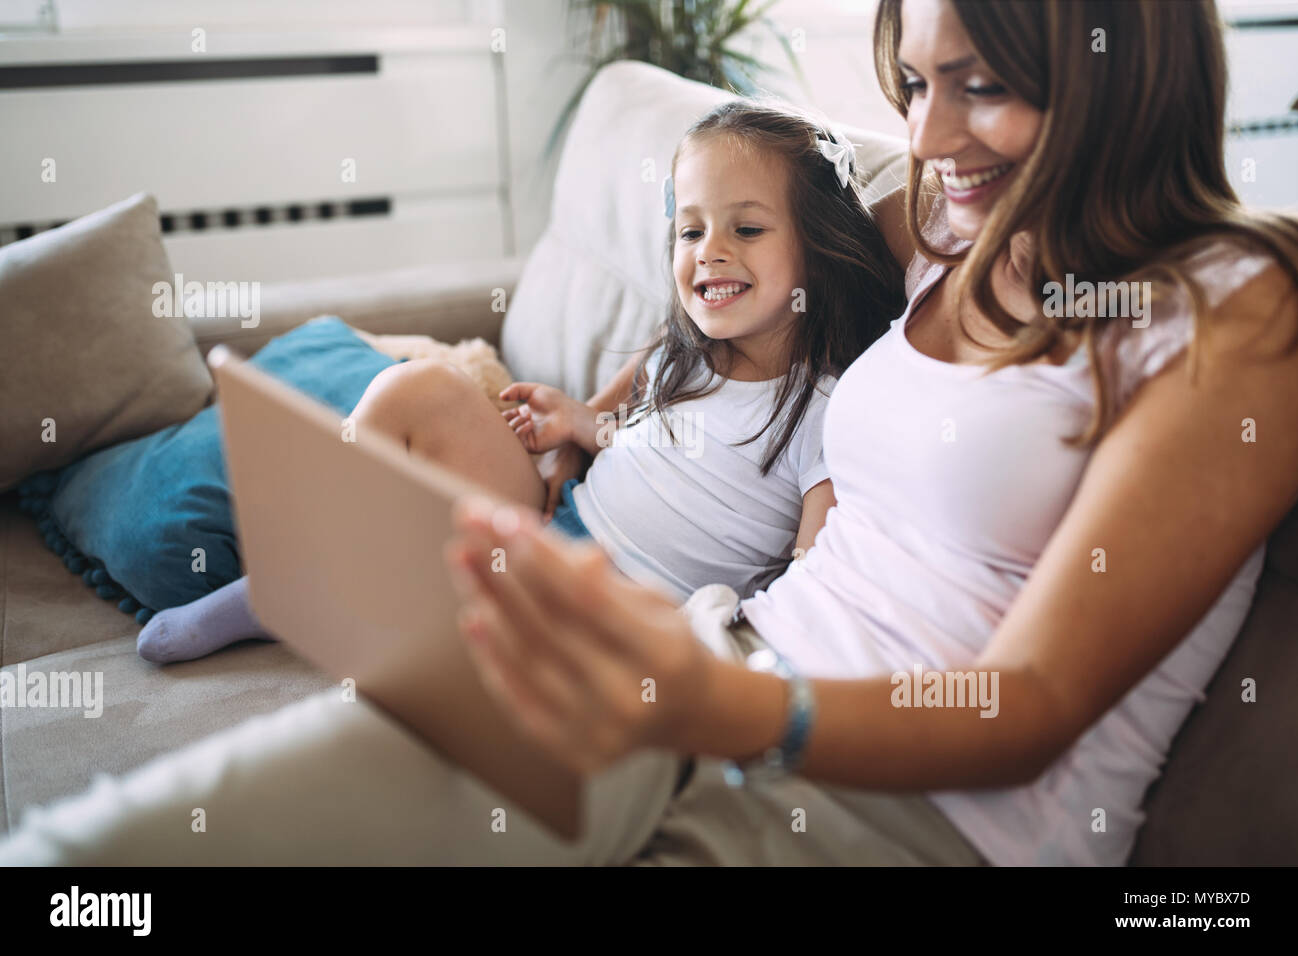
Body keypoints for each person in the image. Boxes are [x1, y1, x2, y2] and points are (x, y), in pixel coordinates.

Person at [2, 0, 1298, 866]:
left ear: (1126, 72)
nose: (928, 137)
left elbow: (1032, 706)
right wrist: (572, 415)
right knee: (177, 840)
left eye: (986, 87)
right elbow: (734, 257)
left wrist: (724, 703)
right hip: (714, 668)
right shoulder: (957, 231)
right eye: (910, 84)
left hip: (910, 817)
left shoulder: (1234, 310)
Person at [132, 101, 906, 664]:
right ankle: (284, 585)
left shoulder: (829, 411)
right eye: (691, 229)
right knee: (422, 391)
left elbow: (814, 582)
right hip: (550, 521)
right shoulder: (683, 353)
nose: (709, 252)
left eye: (746, 228)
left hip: (615, 608)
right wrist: (574, 433)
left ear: (818, 249)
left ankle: (393, 600)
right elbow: (621, 421)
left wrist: (727, 640)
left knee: (455, 589)